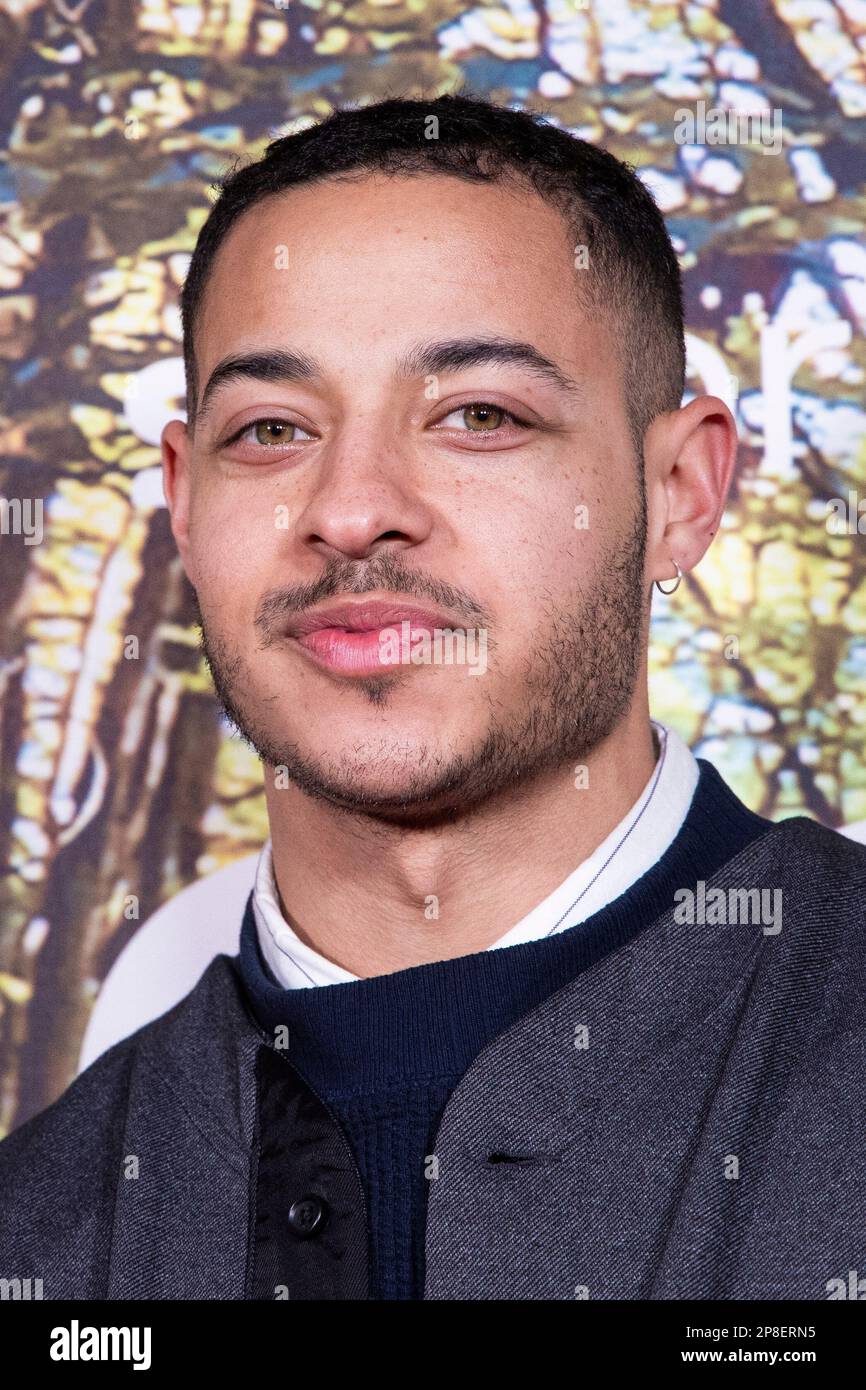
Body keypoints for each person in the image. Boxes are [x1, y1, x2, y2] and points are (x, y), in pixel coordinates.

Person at [1, 92, 864, 1302]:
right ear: (186, 505)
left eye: (478, 415)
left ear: (677, 493)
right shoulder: (36, 1231)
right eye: (269, 428)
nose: (352, 508)